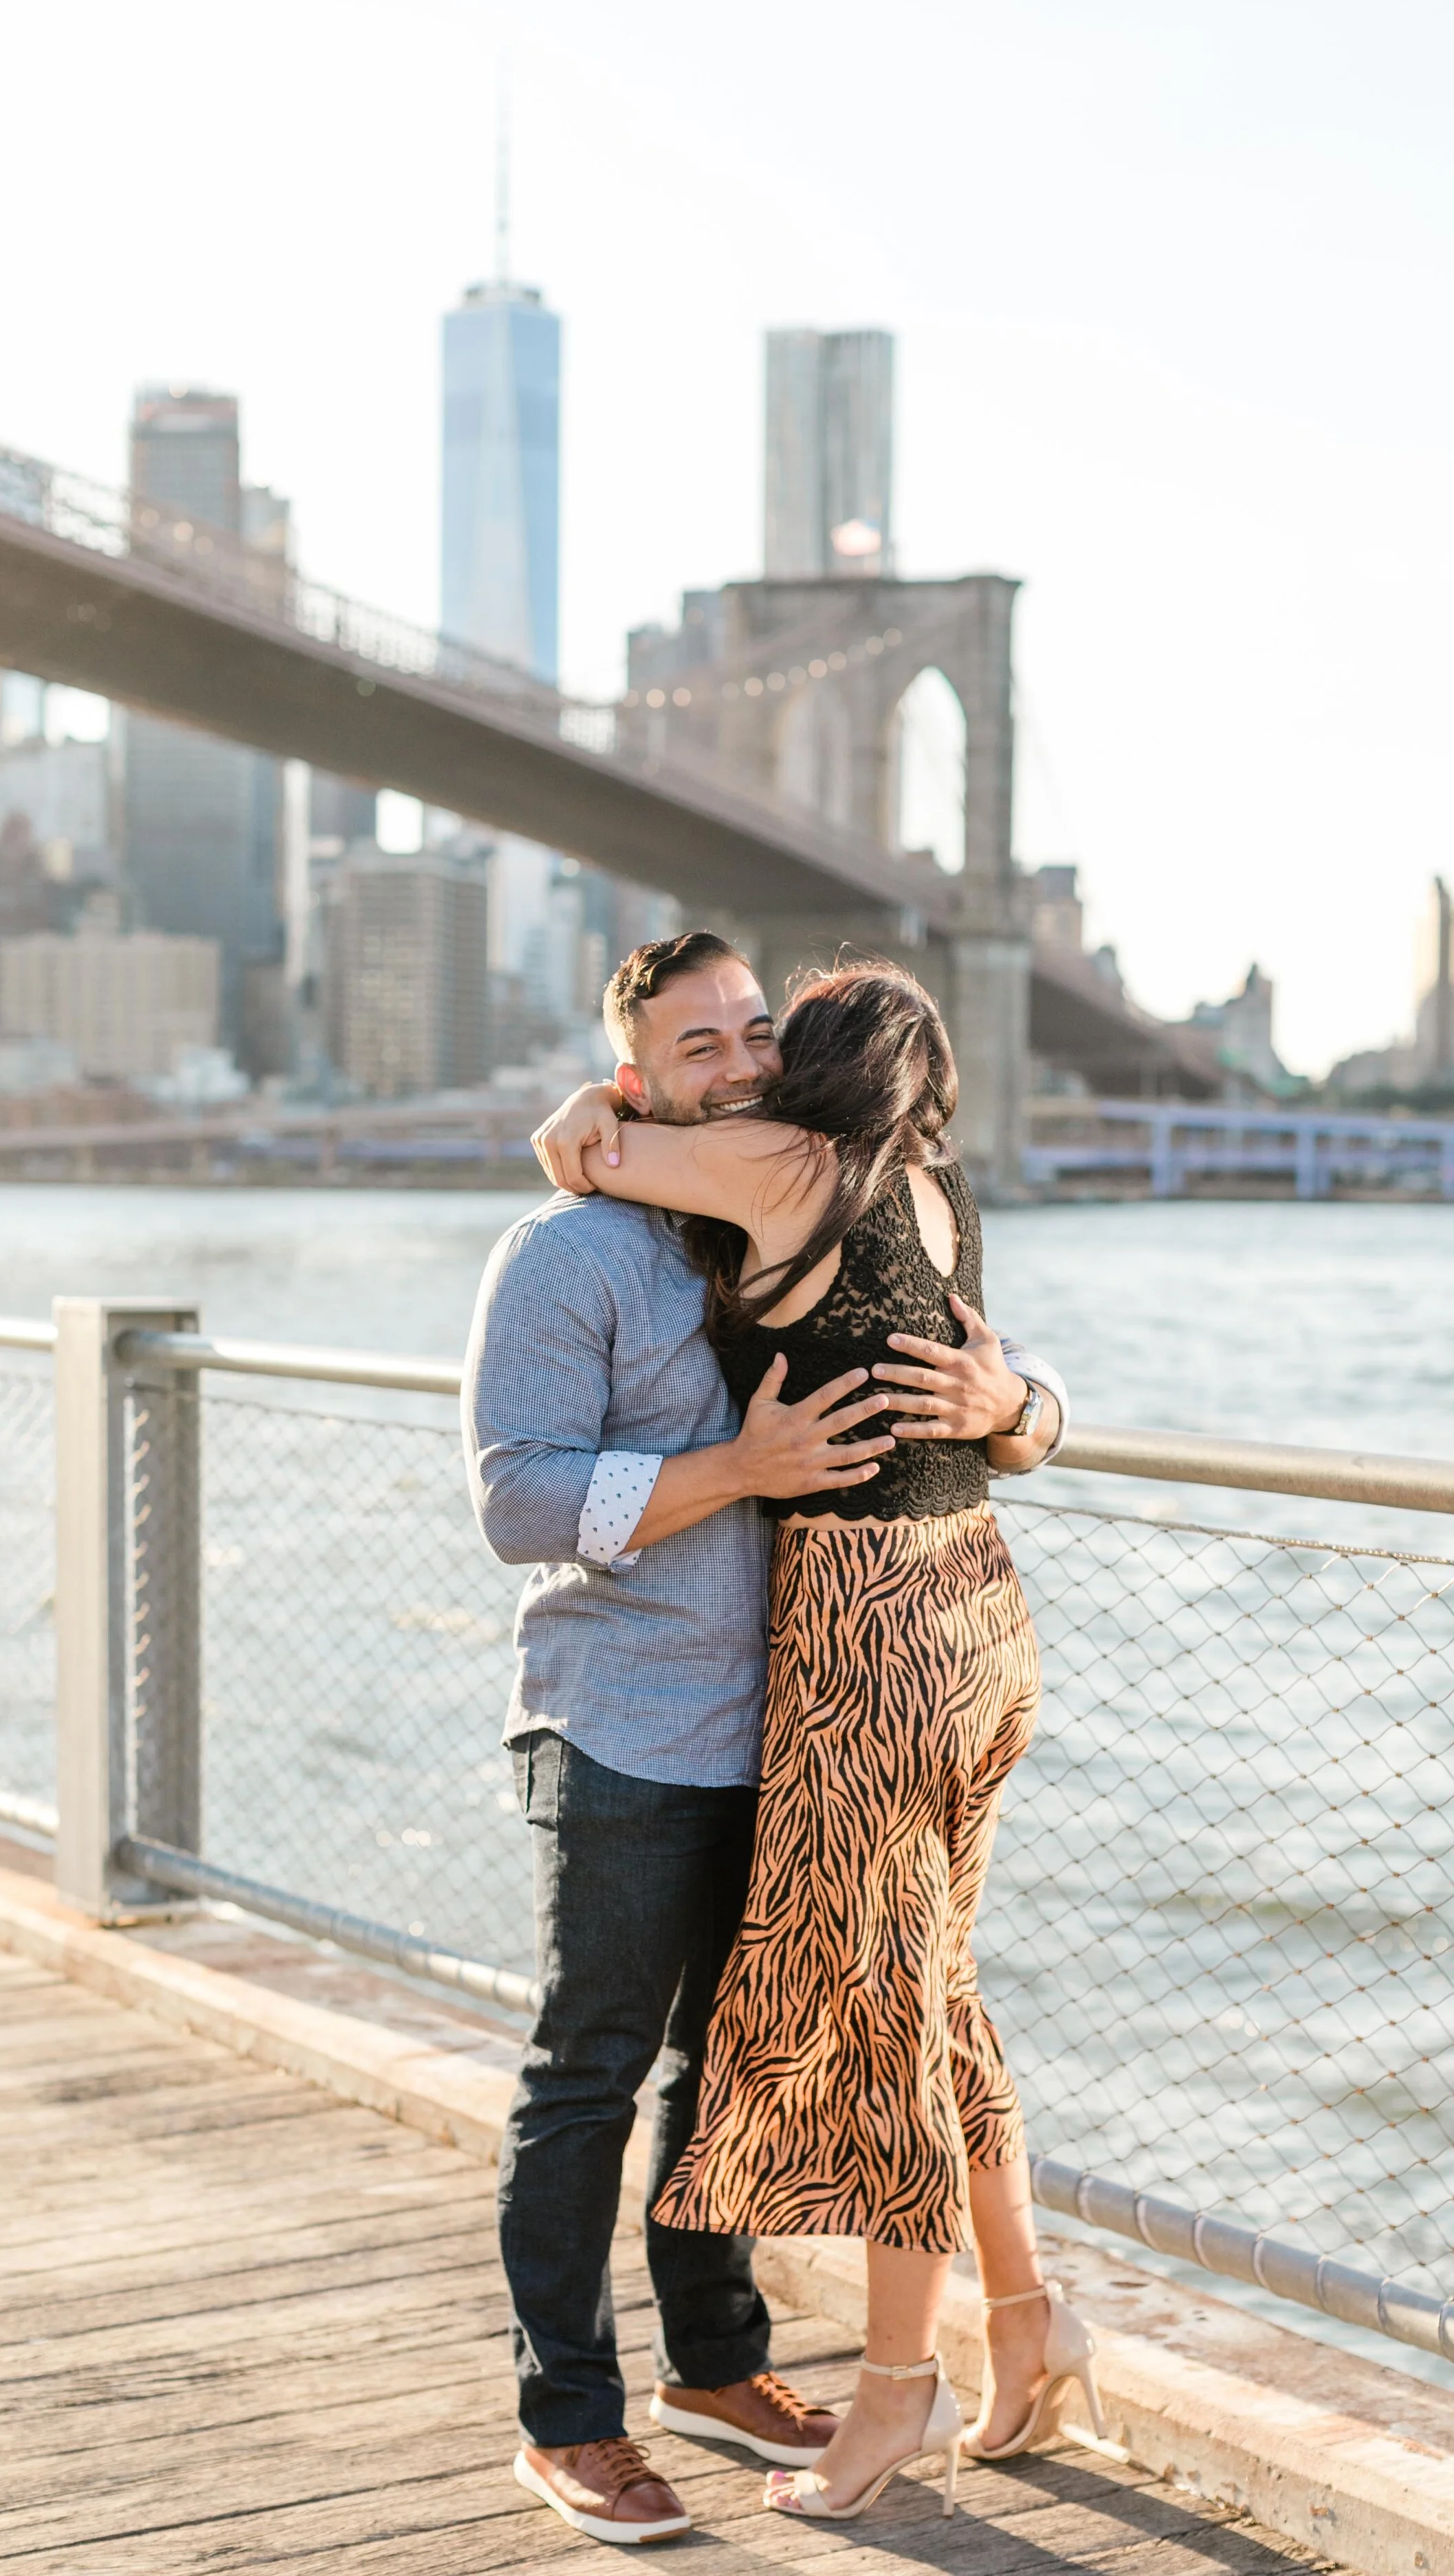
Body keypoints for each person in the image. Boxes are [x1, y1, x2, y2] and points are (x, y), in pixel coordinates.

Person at [463, 931, 1071, 2549]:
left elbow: (969, 1363)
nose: (738, 1058)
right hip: (633, 1726)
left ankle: (718, 2366)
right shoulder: (567, 1253)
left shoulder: (814, 1183)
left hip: (813, 1717)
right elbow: (516, 1499)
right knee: (588, 2074)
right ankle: (570, 2421)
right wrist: (737, 1471)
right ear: (636, 1075)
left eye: (756, 1030)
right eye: (700, 1042)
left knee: (727, 2063)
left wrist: (1018, 1412)